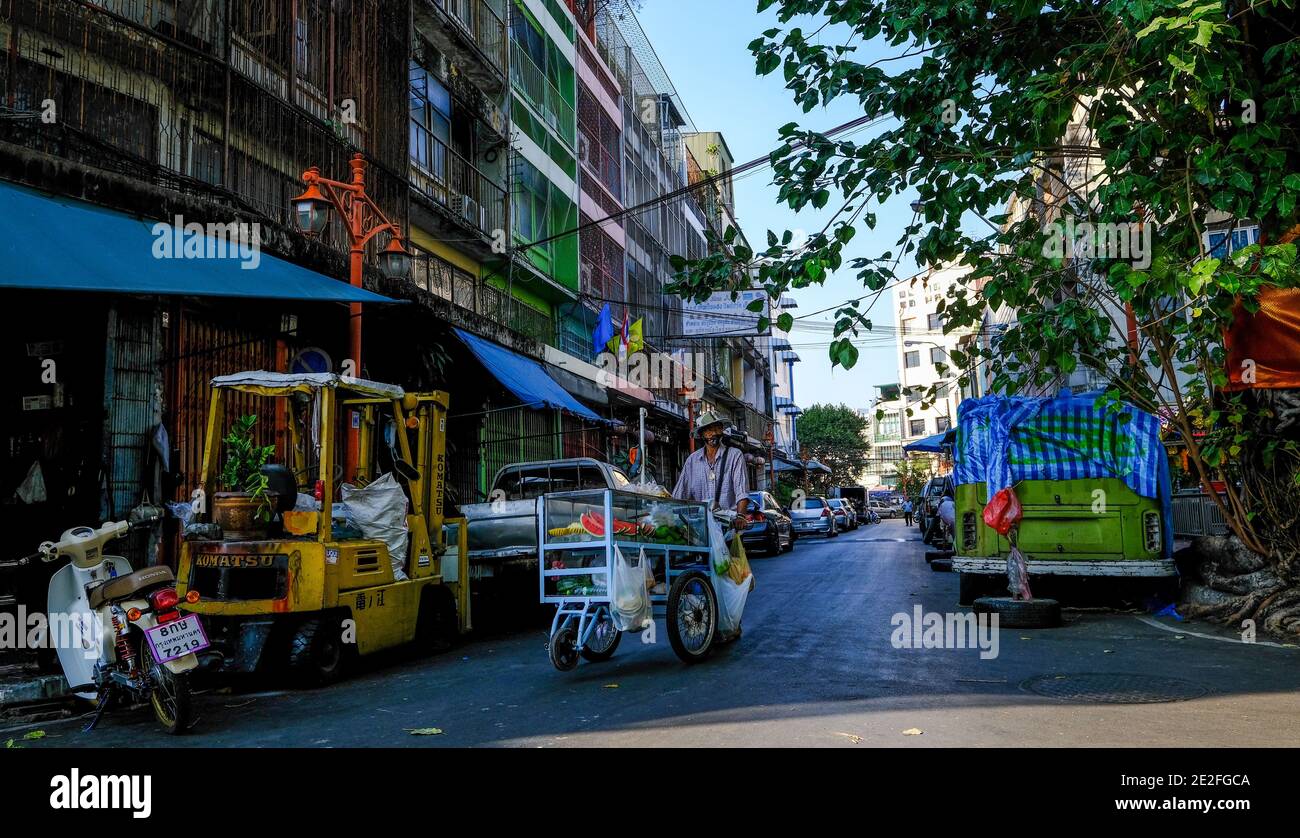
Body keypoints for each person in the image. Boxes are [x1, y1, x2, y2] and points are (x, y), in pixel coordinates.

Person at [672, 412, 751, 525]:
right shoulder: (692, 461)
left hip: (728, 527)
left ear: (722, 430)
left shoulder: (734, 455)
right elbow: (679, 495)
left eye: (716, 429)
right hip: (701, 529)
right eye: (708, 430)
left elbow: (742, 491)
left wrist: (741, 516)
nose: (713, 433)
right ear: (702, 434)